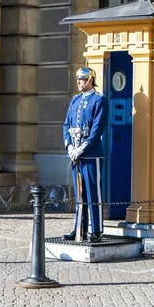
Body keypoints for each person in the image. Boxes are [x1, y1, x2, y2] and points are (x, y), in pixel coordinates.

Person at [62, 67, 108, 242]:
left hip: (91, 154)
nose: (78, 82)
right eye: (77, 78)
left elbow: (96, 130)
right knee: (80, 194)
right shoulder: (75, 100)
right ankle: (79, 228)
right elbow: (66, 125)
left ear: (90, 80)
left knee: (93, 193)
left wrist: (82, 148)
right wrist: (69, 147)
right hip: (75, 154)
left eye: (81, 79)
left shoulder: (99, 100)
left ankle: (96, 230)